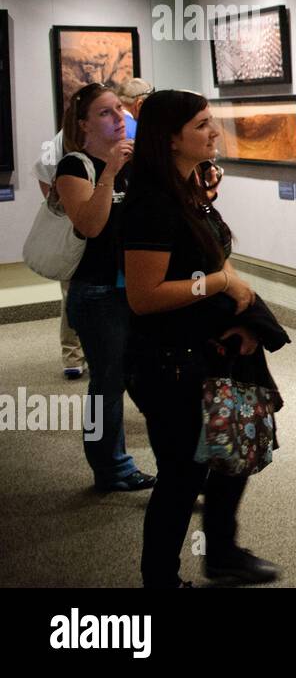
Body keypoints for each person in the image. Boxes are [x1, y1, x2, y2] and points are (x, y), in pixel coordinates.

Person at [123, 90, 278, 588]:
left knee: (233, 453)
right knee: (183, 475)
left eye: (212, 121)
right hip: (168, 362)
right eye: (202, 125)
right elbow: (144, 296)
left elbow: (214, 255)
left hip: (210, 348)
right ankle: (161, 580)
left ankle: (222, 552)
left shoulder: (190, 189)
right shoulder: (151, 201)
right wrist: (220, 285)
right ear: (170, 139)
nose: (215, 132)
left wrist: (240, 318)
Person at [54, 83, 155, 492]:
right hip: (97, 295)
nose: (118, 118)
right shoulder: (76, 167)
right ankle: (111, 468)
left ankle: (180, 463)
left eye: (119, 110)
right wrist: (110, 171)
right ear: (83, 125)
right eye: (105, 113)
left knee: (149, 379)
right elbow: (89, 226)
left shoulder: (136, 162)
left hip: (137, 290)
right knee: (106, 386)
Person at [34, 127, 84, 379]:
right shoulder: (66, 138)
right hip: (74, 230)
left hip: (107, 228)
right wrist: (61, 209)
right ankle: (73, 356)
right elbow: (43, 169)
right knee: (72, 291)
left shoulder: (128, 131)